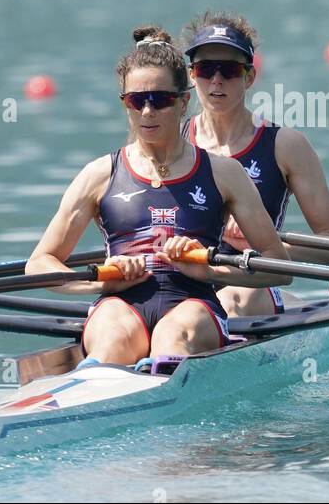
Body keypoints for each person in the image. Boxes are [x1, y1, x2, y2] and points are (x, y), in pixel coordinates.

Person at [26, 26, 293, 365]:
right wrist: (101, 281)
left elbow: (279, 267)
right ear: (126, 105)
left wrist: (208, 271)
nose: (148, 112)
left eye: (160, 100)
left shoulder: (224, 173)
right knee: (111, 340)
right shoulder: (98, 174)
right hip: (118, 304)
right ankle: (102, 386)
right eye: (136, 101)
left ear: (183, 102)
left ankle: (158, 379)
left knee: (173, 338)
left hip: (194, 304)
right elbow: (39, 264)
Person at [183, 11, 329, 318]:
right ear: (192, 75)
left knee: (233, 301)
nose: (216, 79)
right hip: (184, 280)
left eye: (229, 69)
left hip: (251, 283)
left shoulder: (287, 146)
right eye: (206, 68)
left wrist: (265, 244)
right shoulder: (171, 142)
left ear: (249, 77)